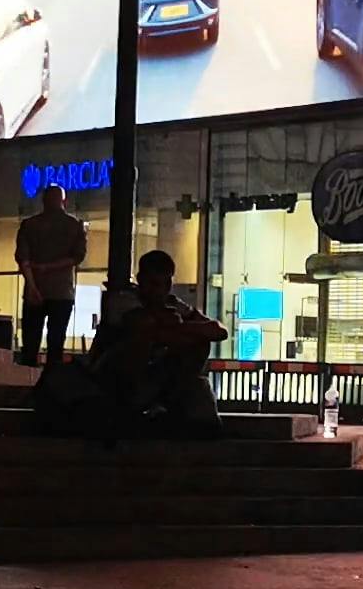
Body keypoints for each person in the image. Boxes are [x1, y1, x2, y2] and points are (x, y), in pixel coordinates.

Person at [42, 249, 225, 439]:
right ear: (141, 280)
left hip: (151, 378)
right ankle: (130, 403)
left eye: (166, 283)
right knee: (143, 340)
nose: (160, 290)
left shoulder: (173, 305)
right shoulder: (123, 300)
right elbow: (144, 326)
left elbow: (218, 331)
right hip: (110, 379)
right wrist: (179, 327)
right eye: (154, 283)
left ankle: (165, 401)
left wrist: (179, 326)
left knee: (198, 344)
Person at [12, 182, 89, 365]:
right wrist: (52, 267)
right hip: (62, 291)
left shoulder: (29, 225)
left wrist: (32, 286)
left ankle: (27, 381)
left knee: (30, 343)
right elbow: (78, 257)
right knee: (56, 342)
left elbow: (23, 259)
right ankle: (53, 383)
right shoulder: (74, 226)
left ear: (43, 200)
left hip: (34, 289)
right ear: (64, 201)